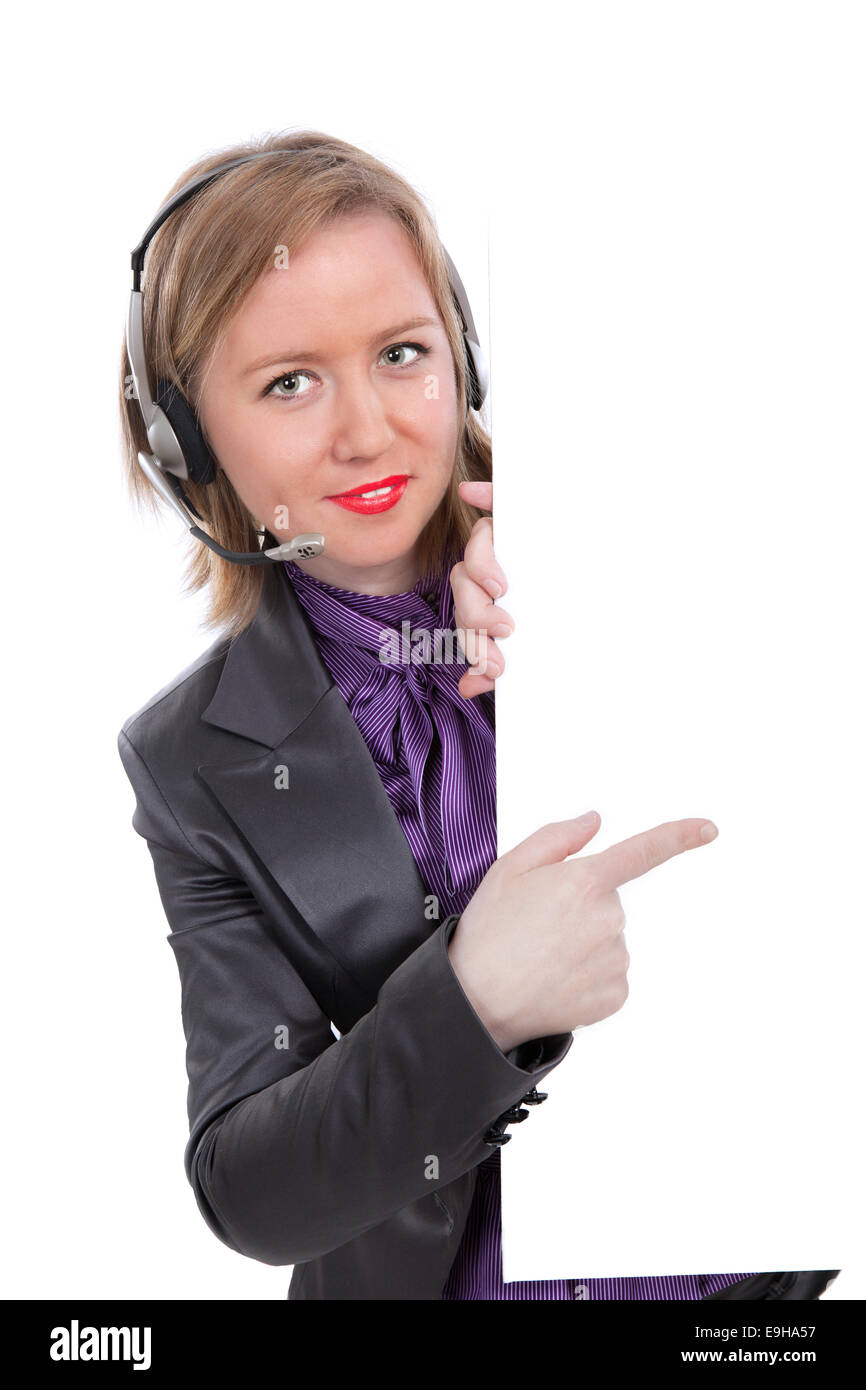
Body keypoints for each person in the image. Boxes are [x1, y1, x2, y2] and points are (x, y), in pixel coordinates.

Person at [117, 129, 837, 1301]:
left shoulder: (690, 544)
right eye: (288, 381)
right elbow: (253, 1188)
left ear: (463, 359)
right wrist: (473, 1000)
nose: (366, 429)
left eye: (402, 352)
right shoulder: (191, 760)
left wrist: (626, 585)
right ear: (184, 441)